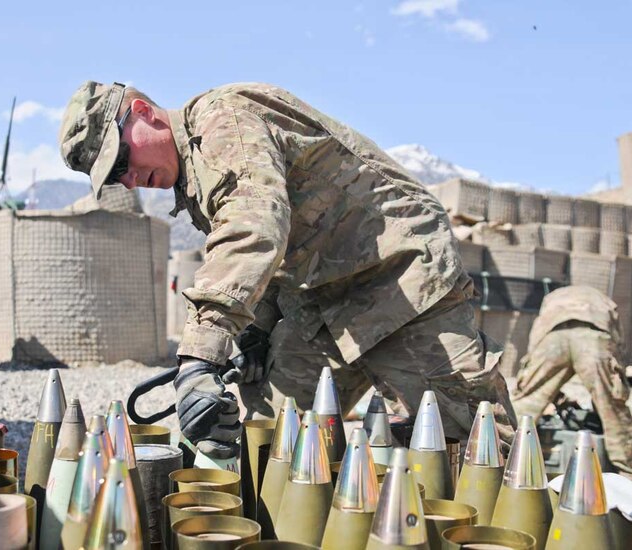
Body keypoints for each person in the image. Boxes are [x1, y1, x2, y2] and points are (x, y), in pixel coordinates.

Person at [58, 80, 517, 458]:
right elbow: (279, 257)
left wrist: (200, 355)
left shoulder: (222, 121)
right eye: (116, 176)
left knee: (472, 440)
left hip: (397, 281)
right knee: (274, 439)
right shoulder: (194, 177)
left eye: (122, 159)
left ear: (143, 112)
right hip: (321, 303)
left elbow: (256, 228)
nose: (129, 178)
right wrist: (256, 331)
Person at [513, 285, 632, 481]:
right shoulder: (603, 301)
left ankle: (504, 454)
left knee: (524, 403)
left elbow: (536, 340)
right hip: (594, 336)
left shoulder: (553, 298)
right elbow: (617, 347)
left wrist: (537, 383)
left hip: (553, 336)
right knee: (613, 410)